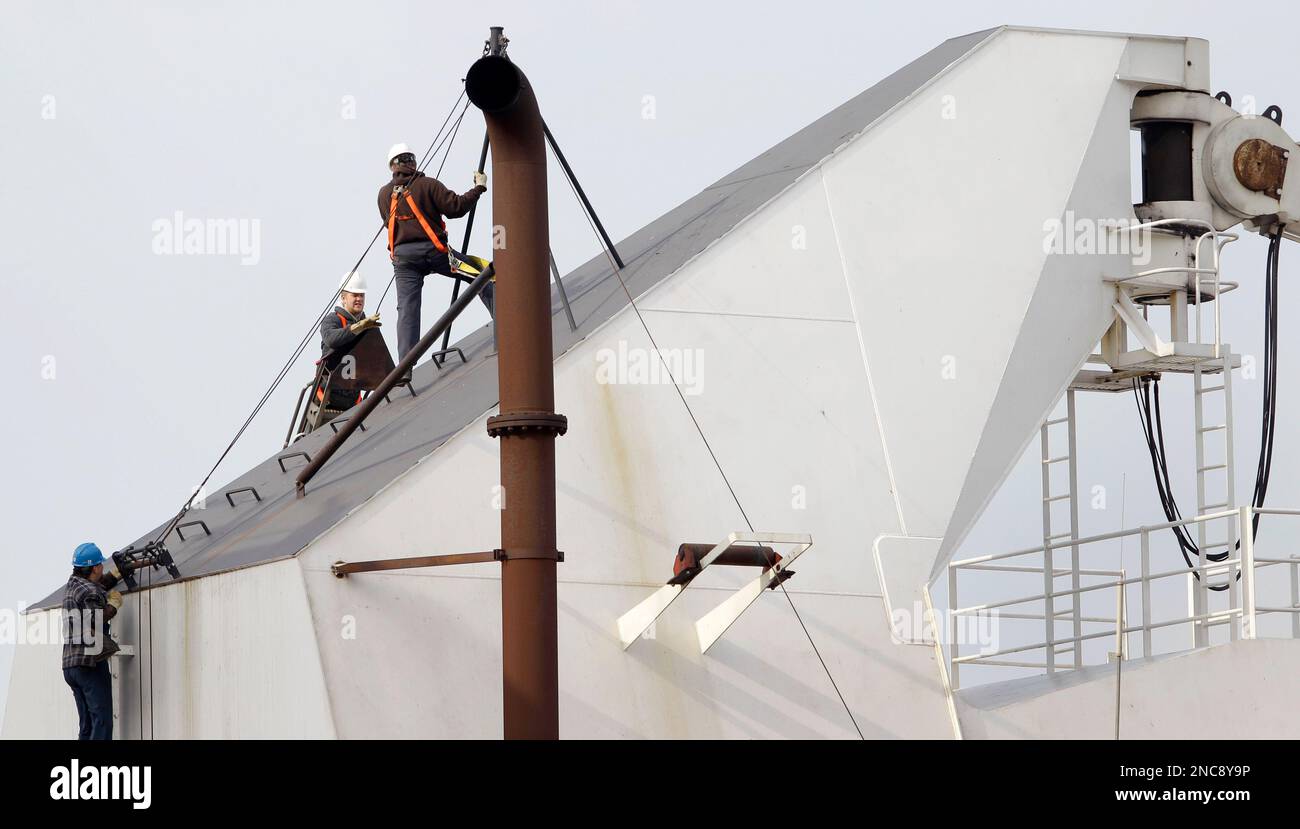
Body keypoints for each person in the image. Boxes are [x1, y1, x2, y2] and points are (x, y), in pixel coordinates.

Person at [378, 142, 492, 361]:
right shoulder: (427, 185)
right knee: (482, 275)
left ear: (392, 167)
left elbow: (389, 224)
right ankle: (506, 327)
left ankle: (405, 365)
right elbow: (456, 208)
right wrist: (479, 188)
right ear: (412, 161)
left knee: (407, 310)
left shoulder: (383, 195)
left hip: (403, 261)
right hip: (436, 253)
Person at [62, 542, 122, 741]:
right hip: (90, 664)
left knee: (86, 723)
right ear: (95, 567)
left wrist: (115, 575)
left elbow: (95, 588)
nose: (102, 567)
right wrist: (113, 605)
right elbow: (95, 617)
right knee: (102, 719)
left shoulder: (73, 585)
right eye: (101, 565)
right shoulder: (90, 591)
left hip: (71, 666)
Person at [319, 271, 381, 408]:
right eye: (355, 295)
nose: (359, 299)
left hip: (353, 395)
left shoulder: (368, 324)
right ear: (343, 298)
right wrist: (358, 327)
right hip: (329, 392)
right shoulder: (332, 320)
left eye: (361, 295)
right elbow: (332, 339)